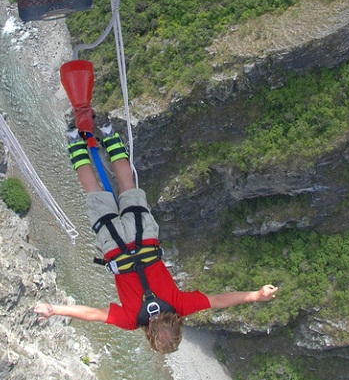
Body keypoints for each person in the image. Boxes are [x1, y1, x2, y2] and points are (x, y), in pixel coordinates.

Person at [34, 121, 277, 353]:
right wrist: (54, 309)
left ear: (177, 324)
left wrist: (255, 295)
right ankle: (74, 141)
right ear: (149, 334)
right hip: (115, 245)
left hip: (144, 237)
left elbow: (219, 300)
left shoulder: (181, 306)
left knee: (127, 185)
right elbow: (93, 314)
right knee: (94, 191)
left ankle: (109, 134)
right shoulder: (131, 320)